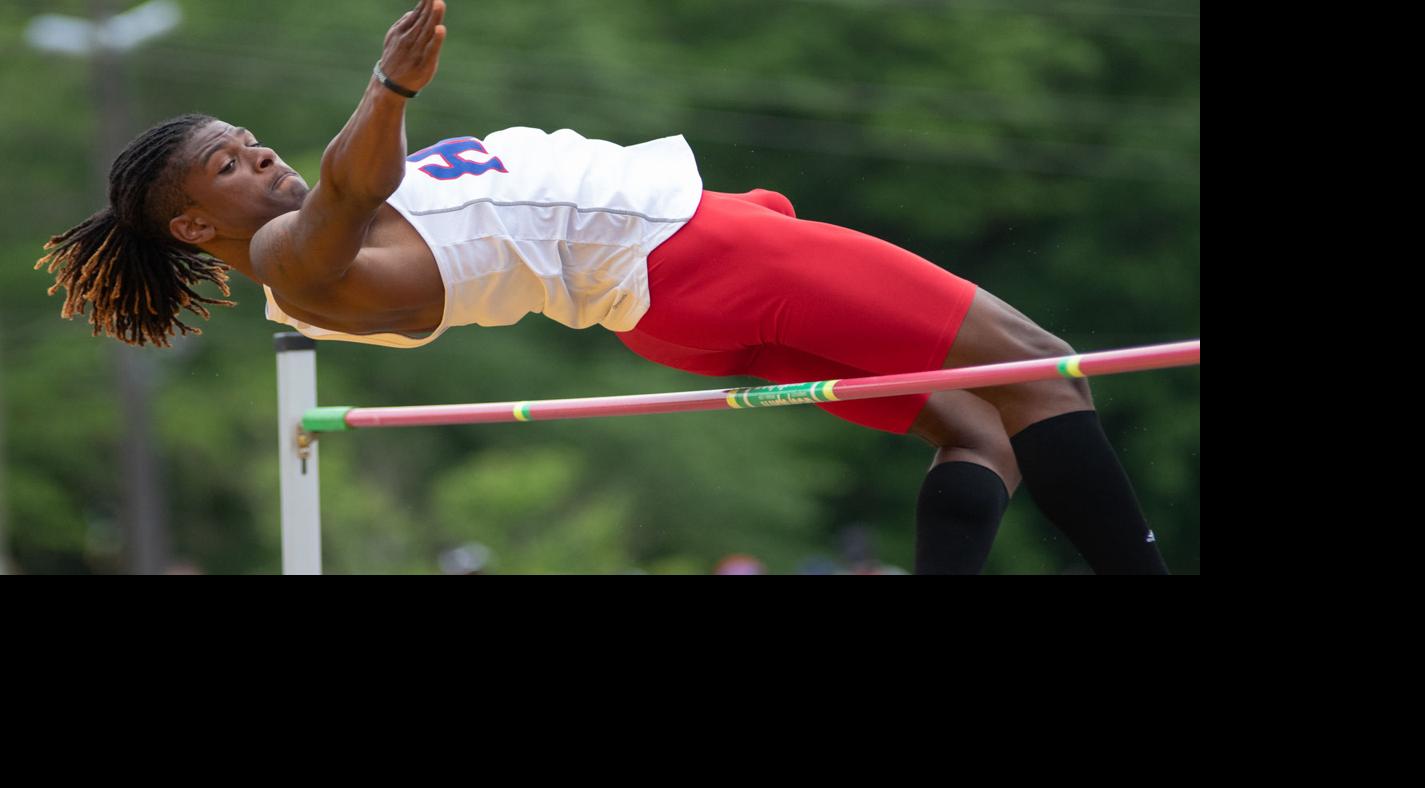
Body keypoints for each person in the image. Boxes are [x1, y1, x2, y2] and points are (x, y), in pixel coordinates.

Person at [35, 0, 1169, 575]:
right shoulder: (299, 256)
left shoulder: (320, 241)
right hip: (695, 256)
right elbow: (345, 183)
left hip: (665, 300)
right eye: (230, 165)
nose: (260, 157)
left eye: (249, 140)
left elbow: (353, 190)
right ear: (193, 223)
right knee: (1044, 370)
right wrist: (389, 88)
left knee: (979, 432)